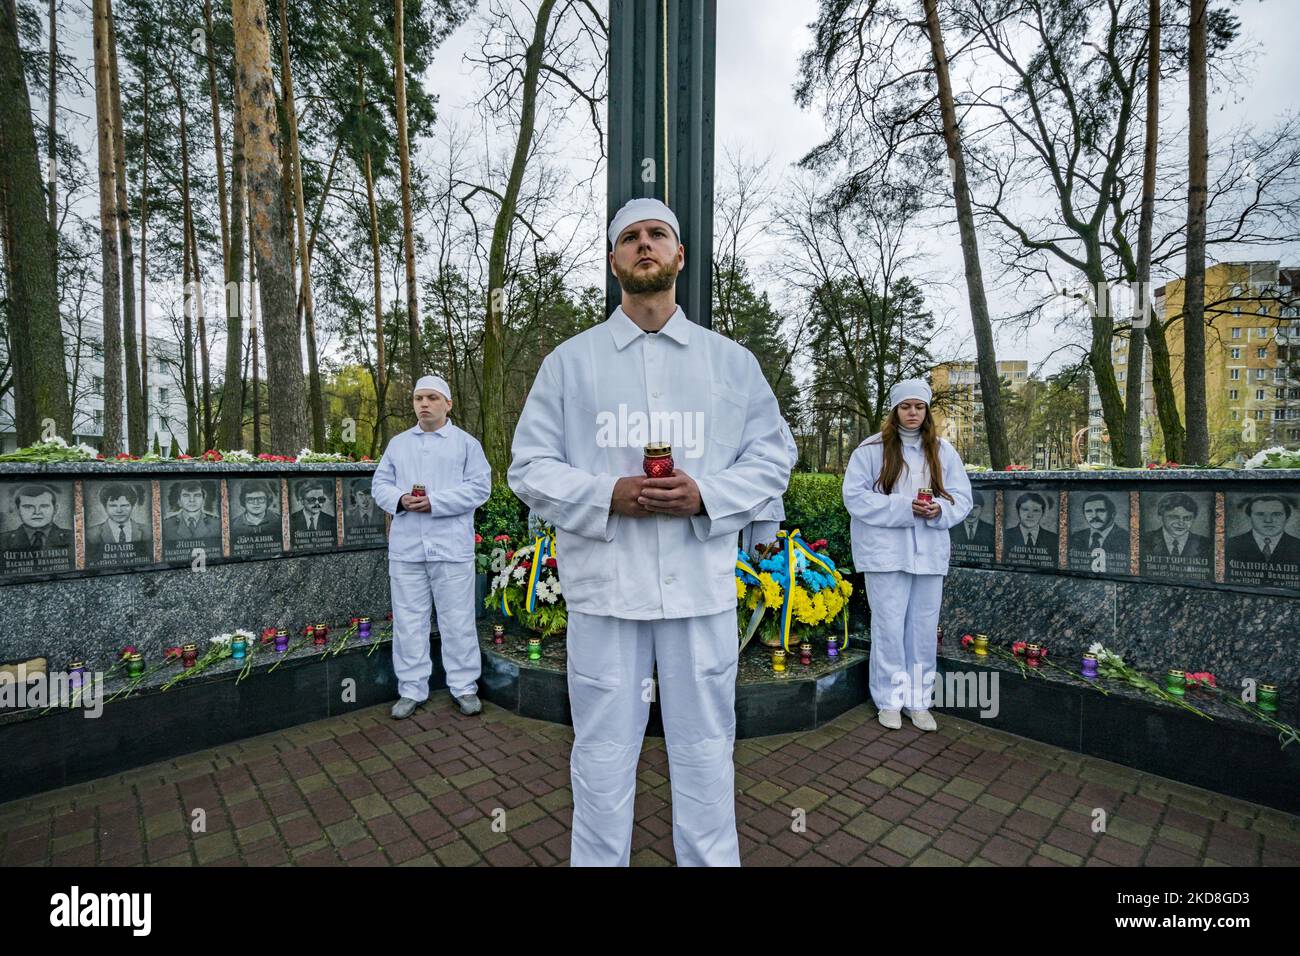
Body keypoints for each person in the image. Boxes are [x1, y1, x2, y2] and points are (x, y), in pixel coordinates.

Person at [509, 197, 790, 867]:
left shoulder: (730, 363)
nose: (644, 245)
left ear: (679, 255)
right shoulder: (570, 363)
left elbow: (773, 456)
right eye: (630, 237)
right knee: (602, 756)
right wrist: (607, 494)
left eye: (657, 234)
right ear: (613, 260)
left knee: (705, 751)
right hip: (607, 595)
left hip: (699, 593)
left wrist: (707, 495)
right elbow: (529, 466)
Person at [842, 380, 971, 733]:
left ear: (927, 411)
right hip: (886, 555)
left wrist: (939, 511)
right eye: (905, 407)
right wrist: (904, 507)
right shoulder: (870, 450)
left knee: (923, 629)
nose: (912, 413)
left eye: (918, 407)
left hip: (928, 553)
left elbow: (962, 498)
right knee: (889, 627)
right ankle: (889, 701)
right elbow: (854, 498)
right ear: (895, 410)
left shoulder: (943, 451)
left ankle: (919, 700)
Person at [372, 375, 492, 719]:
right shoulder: (398, 444)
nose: (424, 404)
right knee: (409, 621)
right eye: (418, 398)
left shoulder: (467, 444)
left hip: (450, 547)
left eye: (432, 398)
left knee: (458, 620)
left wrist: (435, 502)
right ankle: (411, 689)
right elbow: (380, 483)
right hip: (407, 548)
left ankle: (465, 686)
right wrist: (399, 498)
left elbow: (479, 488)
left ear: (448, 404)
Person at [741, 417, 798, 555]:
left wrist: (771, 468)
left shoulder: (777, 420)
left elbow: (791, 454)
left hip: (769, 501)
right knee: (743, 558)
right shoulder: (741, 415)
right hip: (742, 497)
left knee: (766, 556)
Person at [1226, 495, 1300, 565]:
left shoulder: (1297, 545)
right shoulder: (1231, 544)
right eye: (1260, 514)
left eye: (1276, 514)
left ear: (1287, 519)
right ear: (1249, 518)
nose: (1268, 520)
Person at [1, 484, 72, 551]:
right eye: (28, 507)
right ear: (17, 510)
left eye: (44, 506)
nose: (37, 512)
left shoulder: (72, 537)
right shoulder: (3, 539)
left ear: (55, 509)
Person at [1067, 493, 1128, 570]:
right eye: (1088, 511)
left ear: (1112, 514)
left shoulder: (1126, 538)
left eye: (1100, 510)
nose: (1094, 516)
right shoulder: (1076, 537)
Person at [1142, 492, 1211, 559]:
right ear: (1161, 516)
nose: (1181, 523)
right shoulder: (1145, 540)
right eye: (1174, 517)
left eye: (1187, 518)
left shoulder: (1206, 544)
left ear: (1193, 519)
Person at [1002, 492, 1058, 563]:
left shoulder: (1054, 539)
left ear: (1042, 514)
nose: (1030, 515)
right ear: (1018, 511)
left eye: (1036, 510)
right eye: (1025, 509)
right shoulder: (1005, 536)